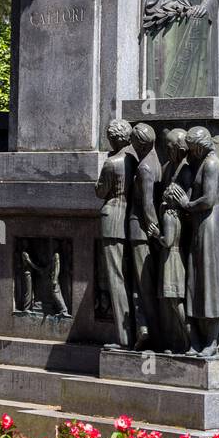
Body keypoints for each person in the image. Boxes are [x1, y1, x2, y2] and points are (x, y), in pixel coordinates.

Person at [164, 126, 219, 357]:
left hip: (209, 226)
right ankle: (197, 340)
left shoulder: (212, 164)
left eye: (192, 149)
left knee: (210, 284)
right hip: (198, 227)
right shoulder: (200, 163)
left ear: (201, 147)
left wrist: (186, 204)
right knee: (196, 282)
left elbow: (209, 199)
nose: (190, 153)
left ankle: (212, 342)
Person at [95, 119, 136, 348]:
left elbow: (100, 191)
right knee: (127, 277)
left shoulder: (112, 163)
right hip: (128, 219)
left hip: (112, 219)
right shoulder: (134, 160)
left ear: (114, 138)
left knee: (116, 279)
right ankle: (133, 331)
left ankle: (123, 338)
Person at [128, 122, 162, 350]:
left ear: (140, 144)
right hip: (146, 231)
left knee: (141, 283)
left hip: (140, 230)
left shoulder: (145, 168)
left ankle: (147, 330)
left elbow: (148, 205)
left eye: (133, 143)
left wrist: (155, 230)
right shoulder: (157, 161)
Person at [157, 128, 191, 353]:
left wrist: (155, 235)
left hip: (173, 258)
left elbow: (167, 240)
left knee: (175, 301)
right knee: (172, 302)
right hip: (174, 255)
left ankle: (187, 340)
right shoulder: (170, 168)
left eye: (170, 148)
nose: (167, 151)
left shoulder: (186, 171)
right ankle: (180, 340)